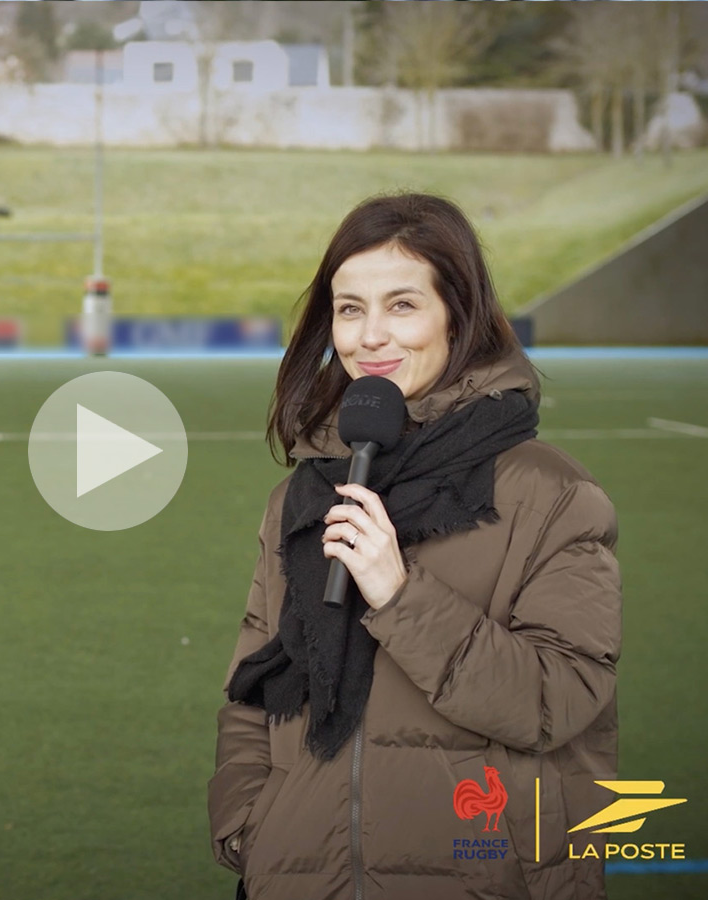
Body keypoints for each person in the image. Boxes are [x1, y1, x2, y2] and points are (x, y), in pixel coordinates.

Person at [208, 193, 620, 900]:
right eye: (349, 308)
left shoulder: (549, 492)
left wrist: (401, 596)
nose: (370, 336)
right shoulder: (302, 500)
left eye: (402, 305)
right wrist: (251, 826)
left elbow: (557, 700)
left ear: (457, 316)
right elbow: (251, 691)